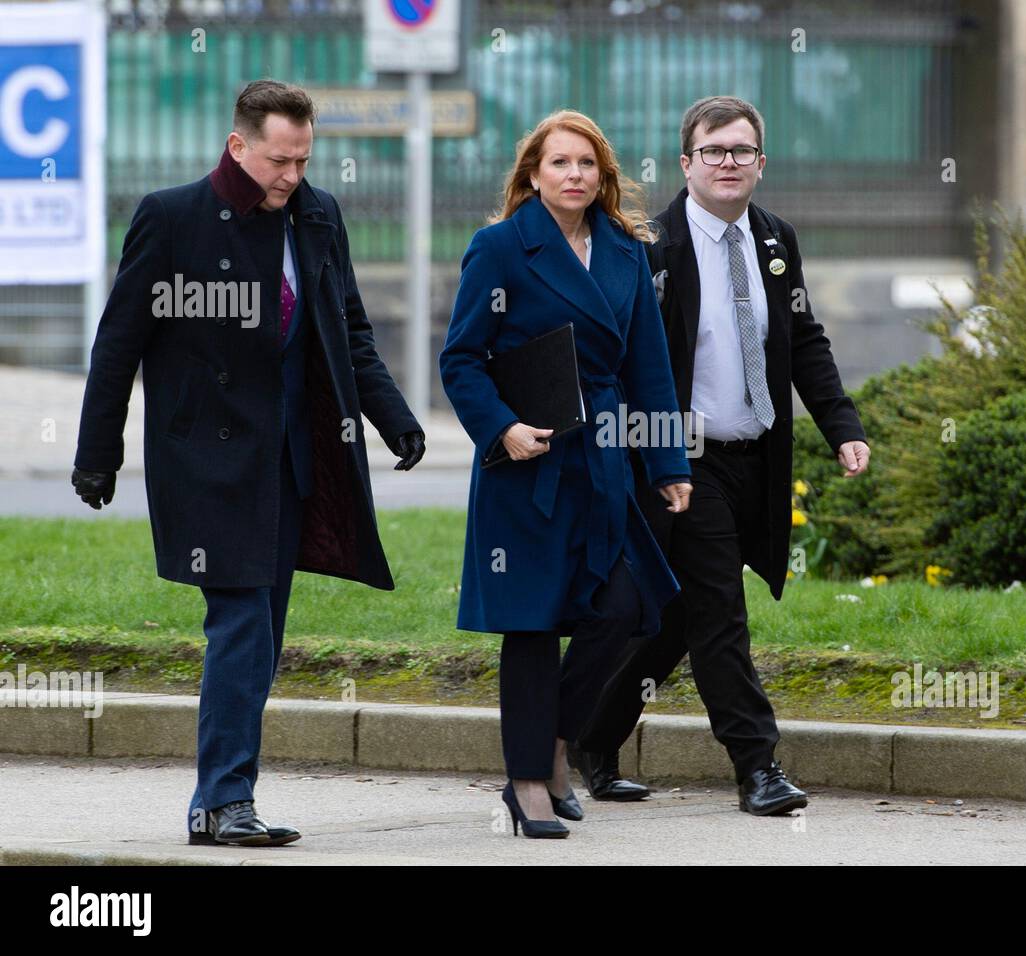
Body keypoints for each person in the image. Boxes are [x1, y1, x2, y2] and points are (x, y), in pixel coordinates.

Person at [70, 79, 425, 846]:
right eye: (278, 160)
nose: (291, 176)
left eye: (302, 160)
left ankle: (223, 795)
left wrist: (394, 420)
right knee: (241, 626)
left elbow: (348, 331)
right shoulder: (172, 218)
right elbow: (118, 344)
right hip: (206, 461)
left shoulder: (319, 215)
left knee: (261, 629)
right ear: (238, 145)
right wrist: (97, 453)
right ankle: (224, 800)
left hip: (292, 459)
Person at [569, 95, 871, 815]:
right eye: (714, 151)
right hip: (680, 458)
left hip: (754, 457)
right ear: (687, 163)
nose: (728, 163)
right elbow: (611, 358)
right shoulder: (648, 245)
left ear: (761, 164)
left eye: (741, 151)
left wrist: (842, 424)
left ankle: (588, 736)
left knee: (675, 616)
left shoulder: (774, 240)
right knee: (718, 610)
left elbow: (803, 340)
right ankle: (757, 766)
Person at [439, 110, 693, 839]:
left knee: (624, 608)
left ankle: (552, 748)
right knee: (533, 623)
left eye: (587, 164)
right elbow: (461, 358)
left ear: (603, 176)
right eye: (559, 163)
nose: (574, 175)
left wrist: (669, 461)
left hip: (606, 460)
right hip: (529, 466)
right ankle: (527, 787)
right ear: (532, 174)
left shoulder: (625, 252)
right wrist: (503, 429)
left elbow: (650, 366)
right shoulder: (499, 249)